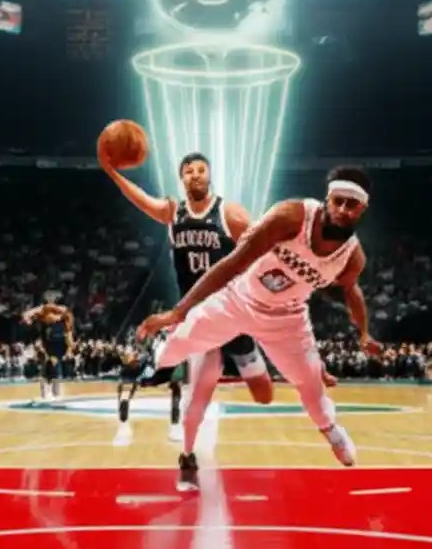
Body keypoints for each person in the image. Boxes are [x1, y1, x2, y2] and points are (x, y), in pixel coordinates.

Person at [137, 166, 381, 491]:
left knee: (310, 385)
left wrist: (363, 332)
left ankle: (332, 431)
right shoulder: (290, 217)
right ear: (328, 198)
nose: (343, 210)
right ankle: (155, 360)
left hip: (287, 318)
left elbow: (351, 291)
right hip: (239, 299)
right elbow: (232, 263)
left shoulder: (352, 258)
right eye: (338, 201)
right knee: (177, 343)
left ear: (362, 209)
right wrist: (178, 311)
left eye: (352, 205)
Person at [101, 147, 278, 445]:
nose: (195, 175)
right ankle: (187, 449)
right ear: (181, 179)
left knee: (263, 394)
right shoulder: (174, 212)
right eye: (188, 171)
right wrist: (113, 173)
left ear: (209, 175)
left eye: (200, 170)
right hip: (197, 314)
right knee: (194, 389)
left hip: (231, 311)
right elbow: (141, 200)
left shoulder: (229, 213)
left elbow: (262, 248)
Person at [21, 302, 74, 401]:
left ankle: (55, 394)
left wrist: (69, 350)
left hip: (59, 346)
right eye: (48, 318)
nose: (50, 320)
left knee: (54, 369)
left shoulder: (65, 318)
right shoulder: (42, 318)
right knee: (47, 370)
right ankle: (46, 394)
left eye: (52, 317)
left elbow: (69, 336)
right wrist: (30, 316)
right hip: (47, 346)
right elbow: (26, 315)